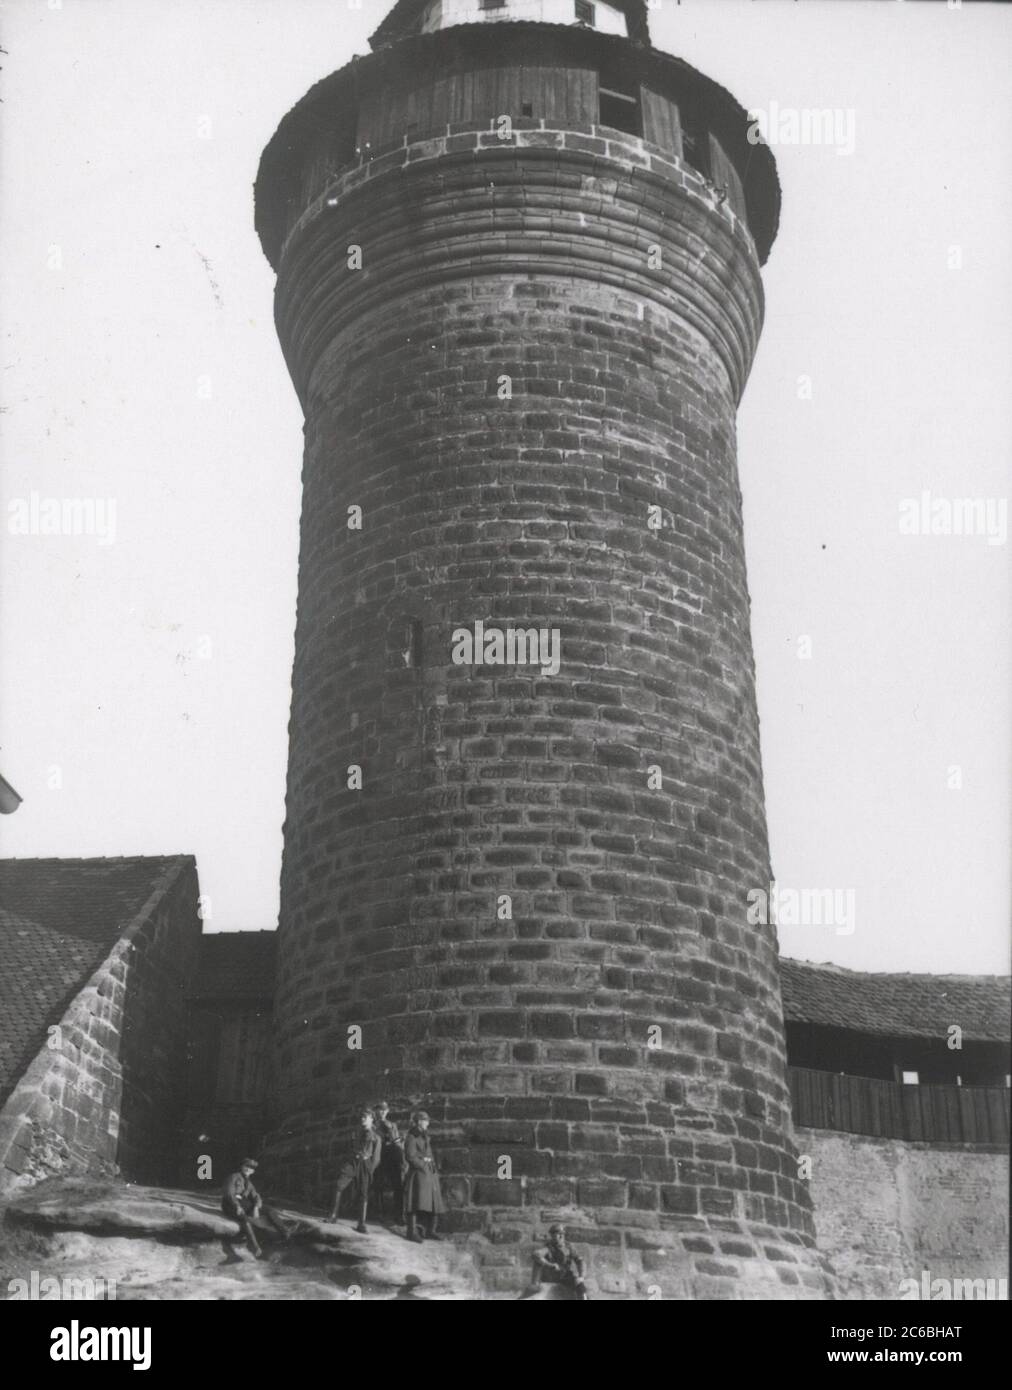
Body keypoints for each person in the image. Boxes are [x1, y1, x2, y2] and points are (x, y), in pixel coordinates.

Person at [326, 1106, 382, 1233]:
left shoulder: (376, 1138)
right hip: (352, 1162)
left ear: (371, 1119)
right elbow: (348, 1148)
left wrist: (369, 1169)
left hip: (366, 1164)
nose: (362, 1119)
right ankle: (333, 1216)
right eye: (362, 1117)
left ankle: (361, 1224)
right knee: (339, 1185)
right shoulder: (355, 1133)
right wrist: (350, 1160)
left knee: (364, 1193)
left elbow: (376, 1158)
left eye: (365, 1117)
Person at [221, 1157, 289, 1260]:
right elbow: (229, 1194)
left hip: (243, 1203)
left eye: (251, 1168)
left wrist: (256, 1207)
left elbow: (256, 1197)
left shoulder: (249, 1183)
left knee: (269, 1210)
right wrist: (237, 1206)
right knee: (244, 1218)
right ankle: (254, 1246)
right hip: (230, 1204)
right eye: (246, 1166)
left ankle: (285, 1232)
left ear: (253, 1171)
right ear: (242, 1166)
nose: (248, 1169)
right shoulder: (234, 1177)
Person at [402, 1110, 444, 1243]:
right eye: (425, 1120)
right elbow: (410, 1156)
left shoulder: (425, 1135)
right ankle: (411, 1232)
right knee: (414, 1202)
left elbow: (429, 1153)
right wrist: (422, 1165)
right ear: (419, 1121)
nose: (428, 1123)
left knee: (434, 1201)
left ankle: (431, 1231)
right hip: (419, 1173)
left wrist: (432, 1165)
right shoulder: (411, 1136)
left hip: (430, 1173)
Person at [530, 1224, 590, 1299]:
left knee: (580, 1287)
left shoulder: (569, 1247)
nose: (559, 1237)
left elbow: (580, 1261)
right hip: (552, 1277)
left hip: (566, 1276)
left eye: (560, 1234)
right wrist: (550, 1265)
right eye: (554, 1234)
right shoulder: (549, 1247)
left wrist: (581, 1276)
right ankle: (534, 1285)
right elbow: (536, 1254)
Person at [372, 1100, 405, 1223]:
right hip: (379, 1156)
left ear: (387, 1111)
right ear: (376, 1111)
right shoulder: (373, 1125)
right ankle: (379, 1214)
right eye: (380, 1109)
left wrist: (390, 1129)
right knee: (378, 1185)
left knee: (398, 1185)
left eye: (384, 1110)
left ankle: (399, 1215)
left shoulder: (392, 1124)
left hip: (392, 1157)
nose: (382, 1112)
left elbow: (396, 1141)